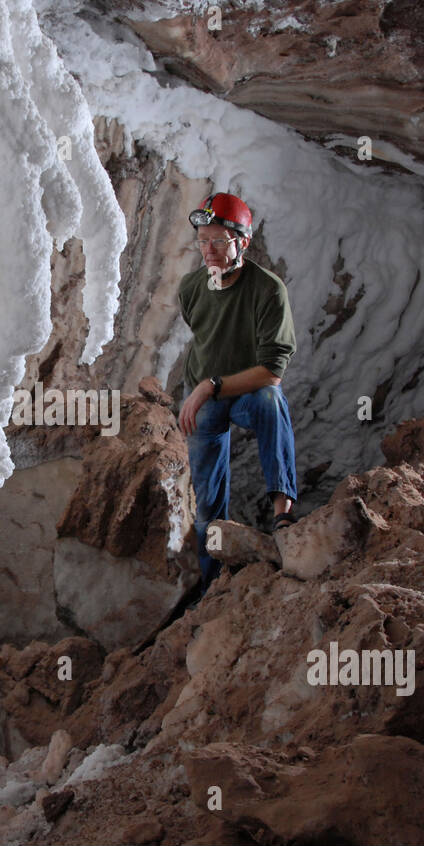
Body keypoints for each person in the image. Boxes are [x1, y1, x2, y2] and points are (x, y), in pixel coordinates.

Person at [176, 192, 299, 591]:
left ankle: (282, 511)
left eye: (218, 241)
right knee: (206, 509)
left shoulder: (267, 290)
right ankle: (214, 588)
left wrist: (210, 385)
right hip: (206, 399)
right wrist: (202, 390)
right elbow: (202, 335)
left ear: (241, 243)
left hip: (243, 392)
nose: (208, 250)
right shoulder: (192, 288)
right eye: (202, 240)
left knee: (270, 401)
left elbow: (272, 372)